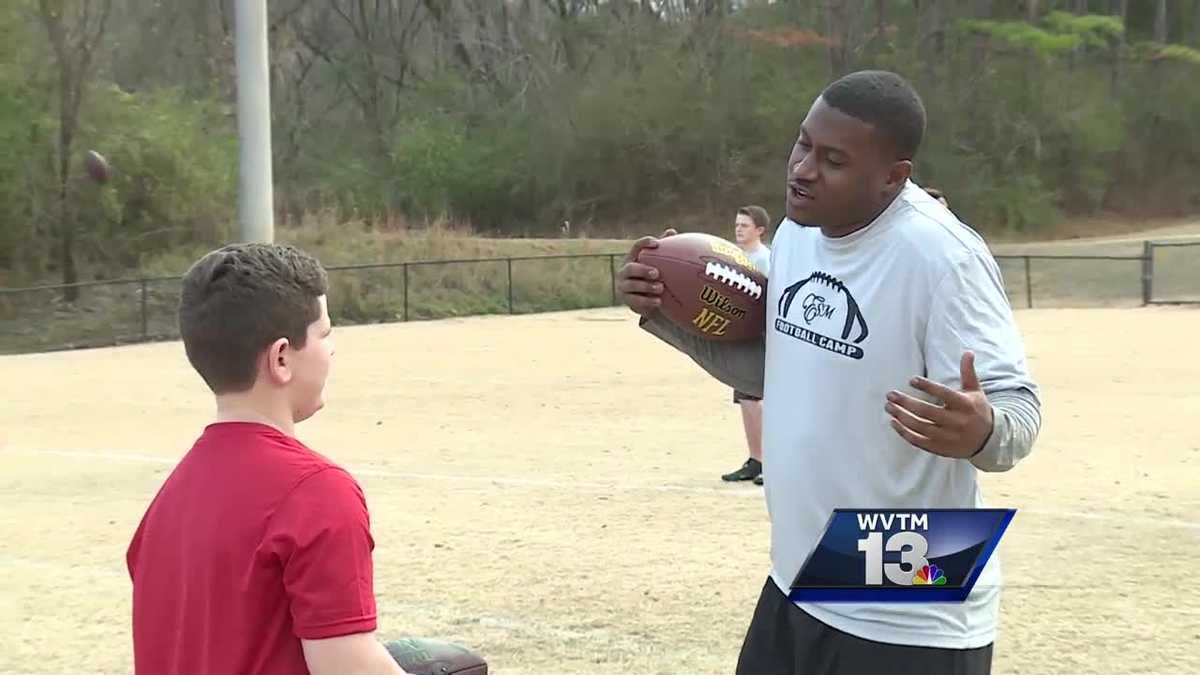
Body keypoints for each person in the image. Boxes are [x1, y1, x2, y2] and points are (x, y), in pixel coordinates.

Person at [617, 70, 1041, 674]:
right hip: (801, 575)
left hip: (909, 609)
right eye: (802, 144)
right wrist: (665, 310)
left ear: (894, 176)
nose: (803, 169)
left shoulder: (944, 258)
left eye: (833, 159)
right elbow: (782, 371)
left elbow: (1019, 411)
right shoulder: (796, 233)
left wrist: (983, 431)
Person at [126, 243, 409, 675]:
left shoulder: (166, 504)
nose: (332, 350)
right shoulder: (316, 492)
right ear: (281, 358)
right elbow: (345, 665)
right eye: (325, 334)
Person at [722, 205, 772, 486]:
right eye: (737, 224)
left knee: (761, 399)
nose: (738, 229)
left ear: (760, 231)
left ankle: (771, 460)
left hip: (761, 335)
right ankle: (756, 458)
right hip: (740, 334)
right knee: (746, 399)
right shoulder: (732, 257)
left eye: (745, 225)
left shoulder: (765, 260)